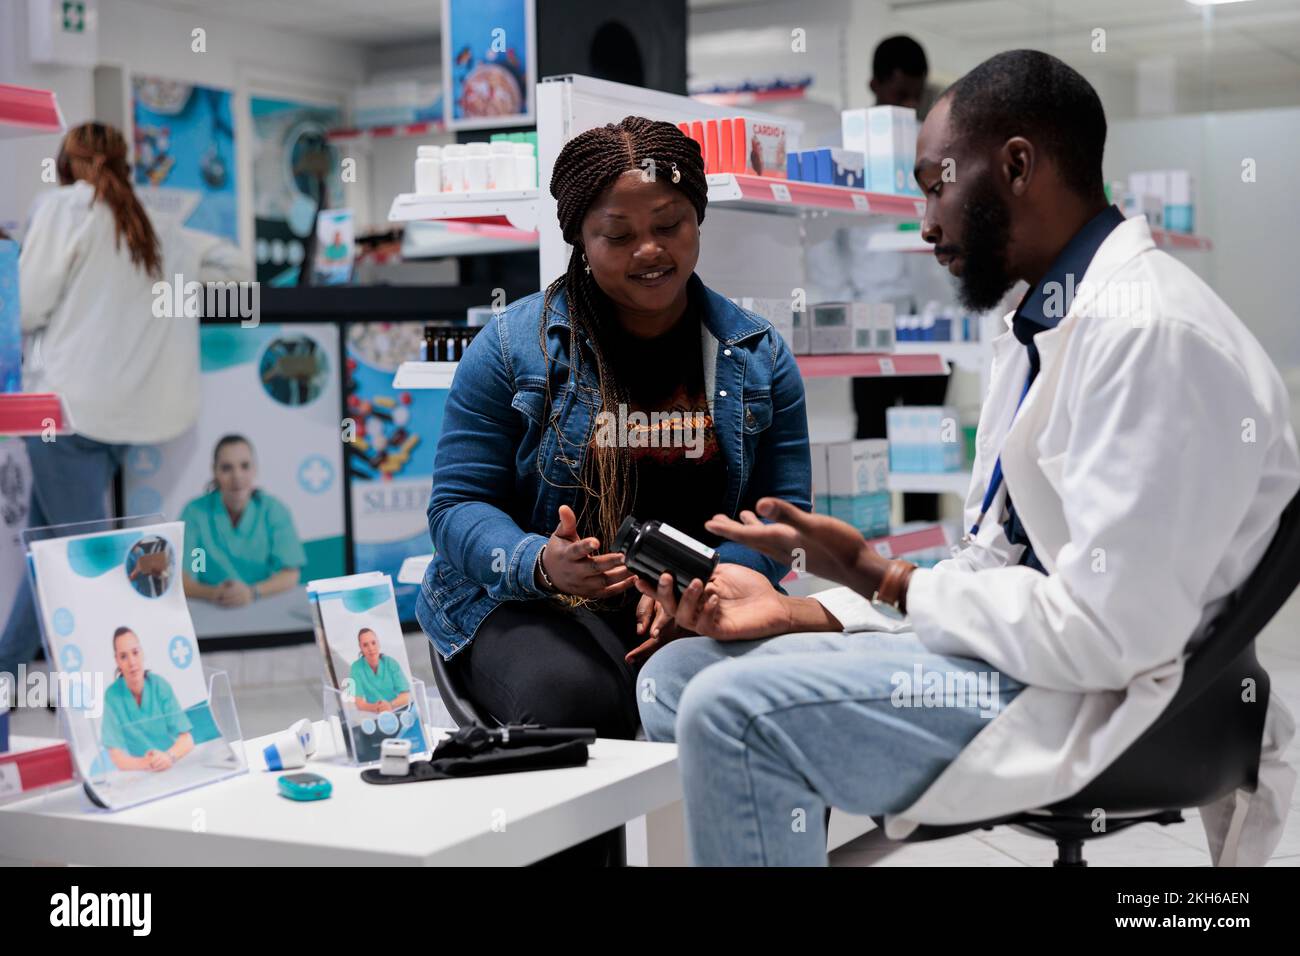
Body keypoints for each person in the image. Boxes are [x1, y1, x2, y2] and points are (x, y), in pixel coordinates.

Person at [636, 50, 1300, 867]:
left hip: (1098, 698)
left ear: (1018, 165)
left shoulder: (1147, 334)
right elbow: (993, 562)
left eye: (935, 184)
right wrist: (815, 609)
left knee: (729, 712)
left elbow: (1109, 635)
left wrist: (883, 577)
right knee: (673, 679)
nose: (925, 223)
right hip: (1034, 658)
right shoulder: (1043, 324)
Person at [417, 116, 811, 740]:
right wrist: (540, 562)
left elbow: (780, 517)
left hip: (692, 598)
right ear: (579, 237)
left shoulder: (755, 355)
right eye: (617, 235)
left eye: (669, 225)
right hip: (523, 601)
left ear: (697, 219)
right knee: (577, 705)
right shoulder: (511, 348)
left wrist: (700, 584)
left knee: (774, 699)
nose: (650, 250)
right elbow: (457, 506)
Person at [0, 122, 247, 683]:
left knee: (93, 569)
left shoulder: (64, 208)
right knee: (50, 554)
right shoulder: (160, 226)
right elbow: (236, 268)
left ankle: (139, 693)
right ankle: (6, 675)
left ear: (67, 168)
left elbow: (28, 308)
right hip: (125, 421)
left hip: (62, 417)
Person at [180, 435, 306, 607]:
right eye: (226, 468)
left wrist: (252, 592)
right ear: (214, 471)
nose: (237, 476)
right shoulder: (196, 514)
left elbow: (290, 574)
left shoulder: (273, 511)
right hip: (210, 609)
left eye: (244, 466)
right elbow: (186, 576)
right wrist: (214, 593)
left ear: (255, 469)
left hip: (263, 607)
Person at [101, 627, 194, 772]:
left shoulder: (159, 686)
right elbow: (116, 756)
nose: (132, 662)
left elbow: (187, 740)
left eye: (135, 653)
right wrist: (147, 763)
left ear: (142, 653)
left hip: (172, 766)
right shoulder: (112, 696)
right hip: (138, 774)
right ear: (117, 660)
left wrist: (167, 757)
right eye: (124, 656)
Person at [348, 627, 411, 713]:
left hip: (398, 710)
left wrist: (390, 705)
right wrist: (377, 708)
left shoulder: (390, 663)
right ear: (360, 647)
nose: (371, 648)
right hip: (373, 715)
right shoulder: (356, 668)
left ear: (378, 643)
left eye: (373, 643)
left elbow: (406, 695)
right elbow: (359, 703)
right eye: (365, 645)